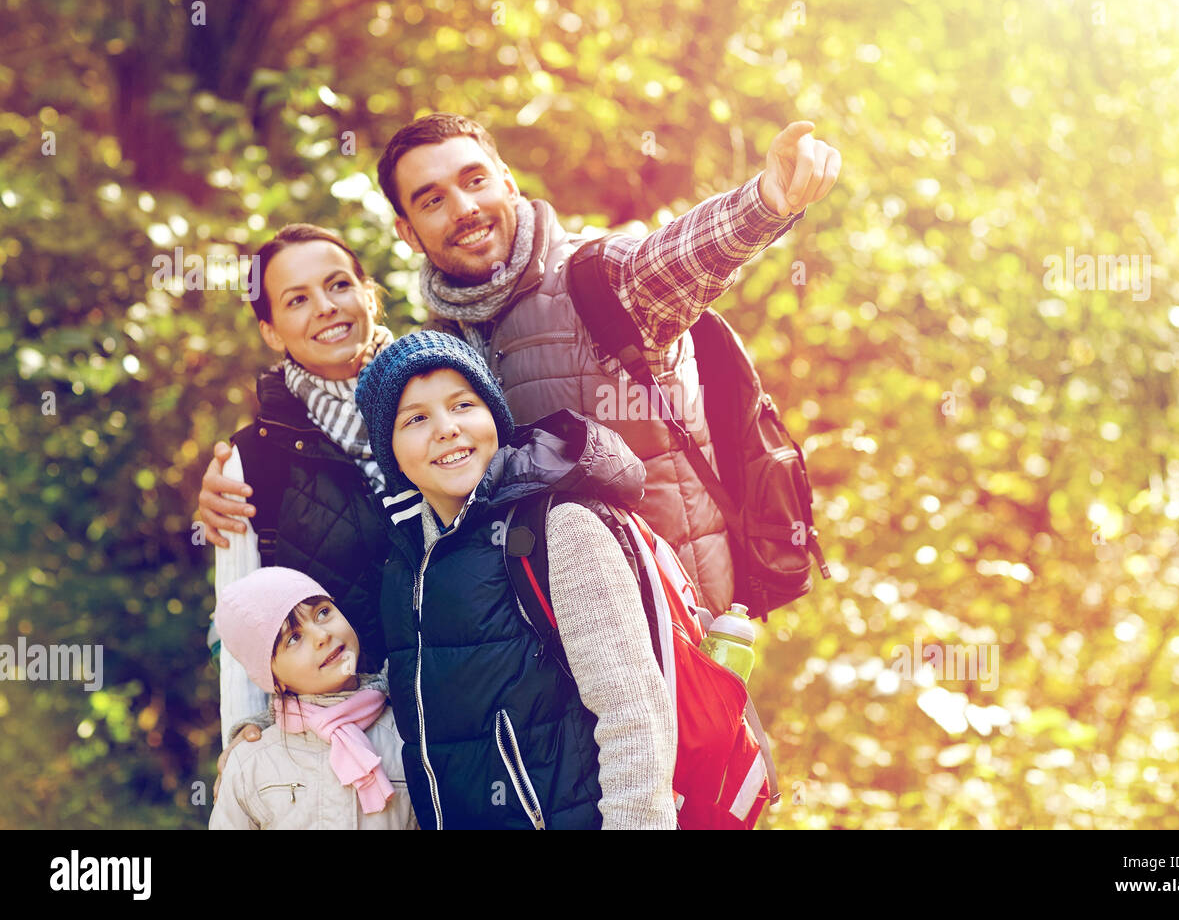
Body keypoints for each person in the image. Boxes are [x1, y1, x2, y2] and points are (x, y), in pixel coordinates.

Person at [200, 115, 841, 618]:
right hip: (544, 656)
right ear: (407, 232)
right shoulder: (441, 346)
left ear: (508, 182)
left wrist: (766, 201)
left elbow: (678, 254)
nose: (464, 208)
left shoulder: (599, 280)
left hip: (680, 632)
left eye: (475, 180)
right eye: (432, 200)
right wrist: (232, 474)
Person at [354, 329, 677, 829]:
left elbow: (634, 715)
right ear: (390, 453)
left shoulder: (556, 528)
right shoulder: (404, 565)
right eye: (416, 418)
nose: (446, 428)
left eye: (463, 405)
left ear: (494, 416)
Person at [210, 224, 396, 743]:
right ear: (271, 331)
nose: (325, 306)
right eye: (297, 300)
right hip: (345, 745)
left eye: (338, 285)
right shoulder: (249, 462)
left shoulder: (445, 400)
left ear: (369, 295)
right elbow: (239, 617)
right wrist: (243, 735)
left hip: (477, 710)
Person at [209, 566, 415, 830]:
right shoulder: (251, 762)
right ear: (273, 680)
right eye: (293, 638)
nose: (322, 635)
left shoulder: (409, 734)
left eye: (323, 612)